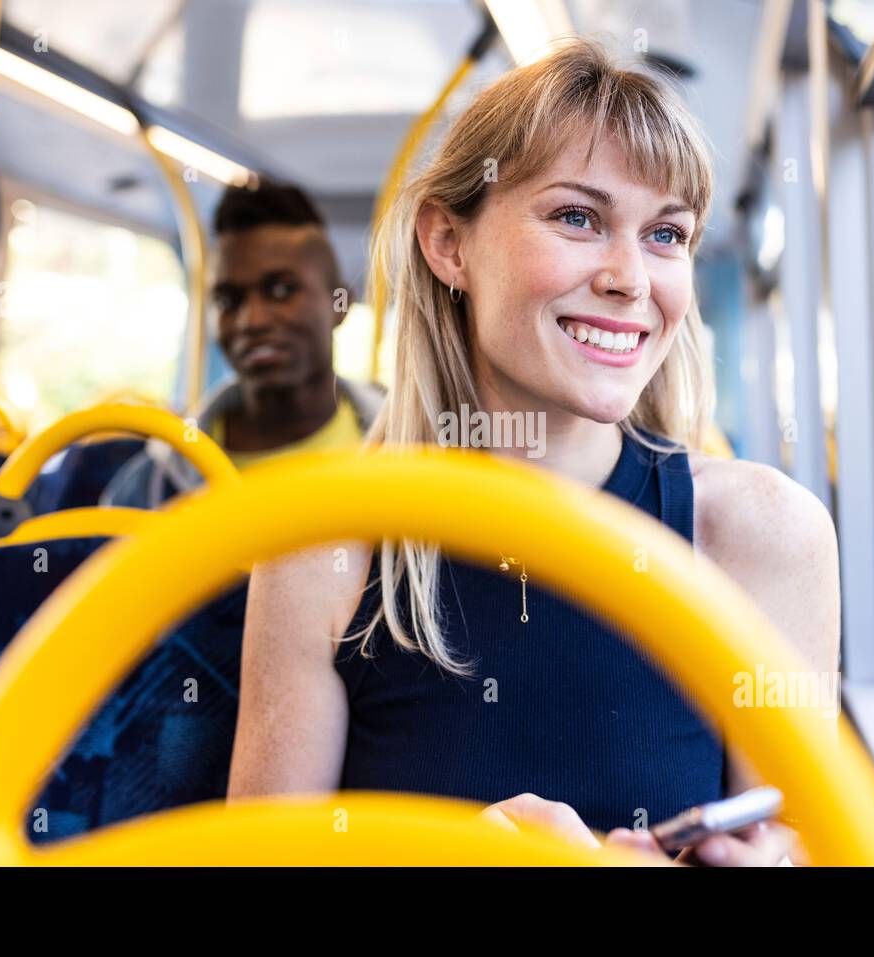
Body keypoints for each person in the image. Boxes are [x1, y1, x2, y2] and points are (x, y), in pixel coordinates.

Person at [228, 38, 839, 866]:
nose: (630, 277)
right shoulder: (319, 547)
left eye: (666, 234)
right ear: (448, 244)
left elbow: (798, 840)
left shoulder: (764, 535)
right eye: (578, 217)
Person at [102, 178, 383, 508]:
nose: (252, 321)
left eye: (281, 291)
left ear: (340, 305)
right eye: (228, 300)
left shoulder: (415, 445)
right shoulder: (152, 485)